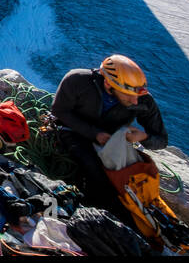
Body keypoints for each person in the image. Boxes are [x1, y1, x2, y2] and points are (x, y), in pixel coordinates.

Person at [52, 55, 167, 224]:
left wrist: (143, 137)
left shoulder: (143, 100)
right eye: (128, 96)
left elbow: (161, 139)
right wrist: (95, 134)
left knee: (132, 177)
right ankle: (104, 219)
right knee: (95, 170)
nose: (135, 101)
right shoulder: (77, 80)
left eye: (137, 95)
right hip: (74, 132)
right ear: (108, 84)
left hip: (112, 141)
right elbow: (60, 111)